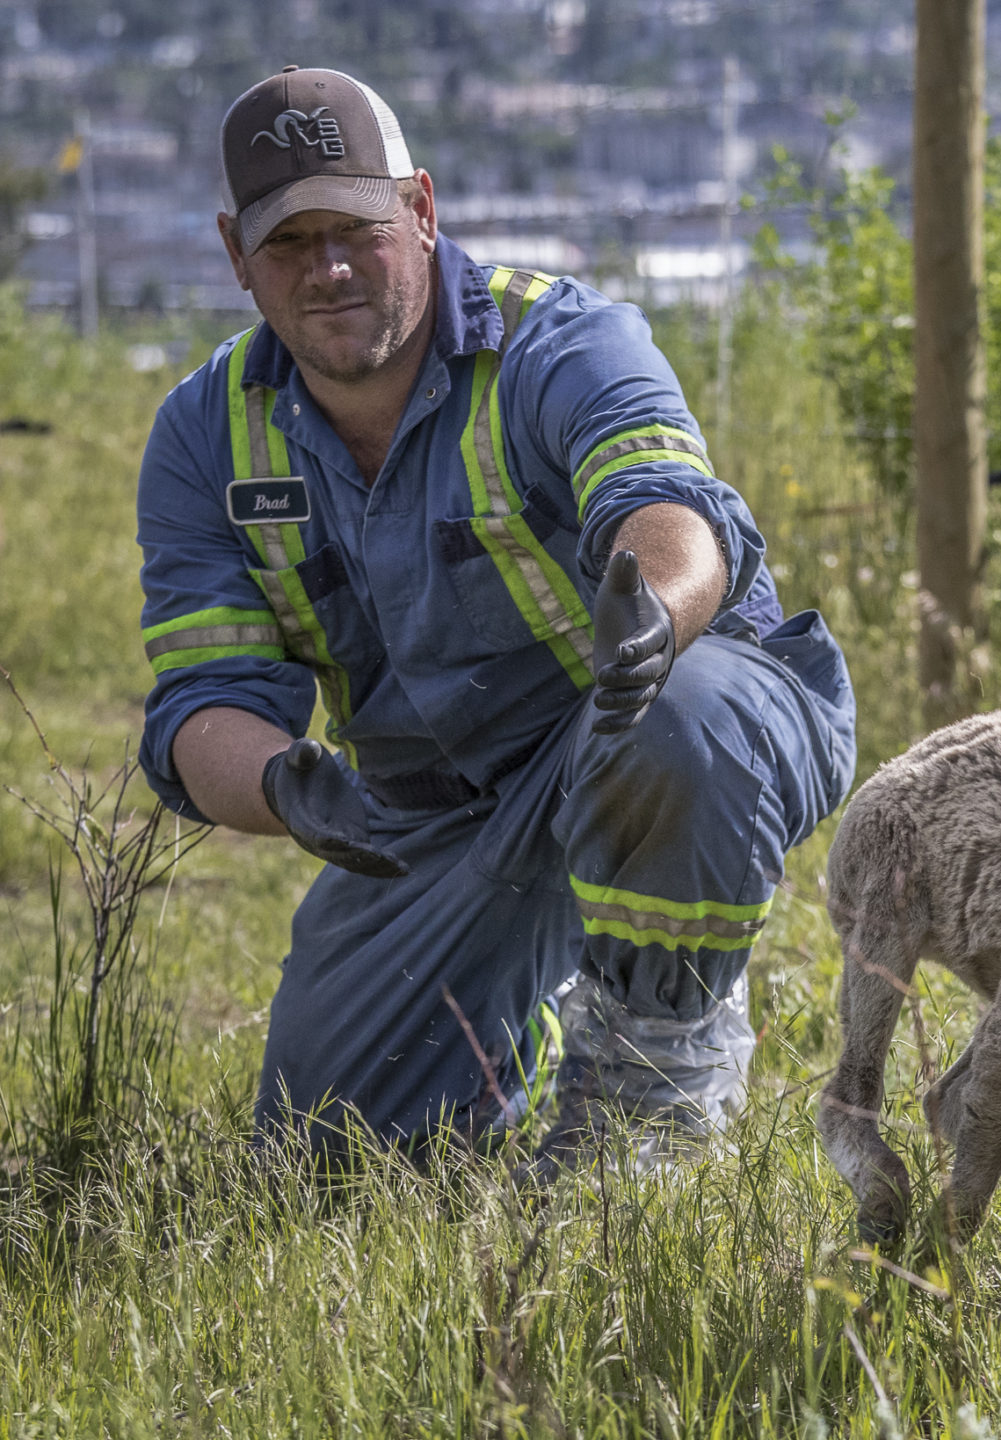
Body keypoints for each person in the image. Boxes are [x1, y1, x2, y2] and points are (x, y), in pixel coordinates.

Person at [135, 66, 856, 1168]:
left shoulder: (560, 339)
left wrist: (653, 616)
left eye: (356, 228)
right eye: (289, 242)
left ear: (420, 211)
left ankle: (655, 1072)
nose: (328, 268)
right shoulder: (203, 437)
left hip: (652, 717)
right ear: (238, 255)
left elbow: (669, 508)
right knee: (326, 1154)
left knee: (680, 721)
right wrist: (283, 783)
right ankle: (543, 1012)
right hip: (438, 815)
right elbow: (201, 702)